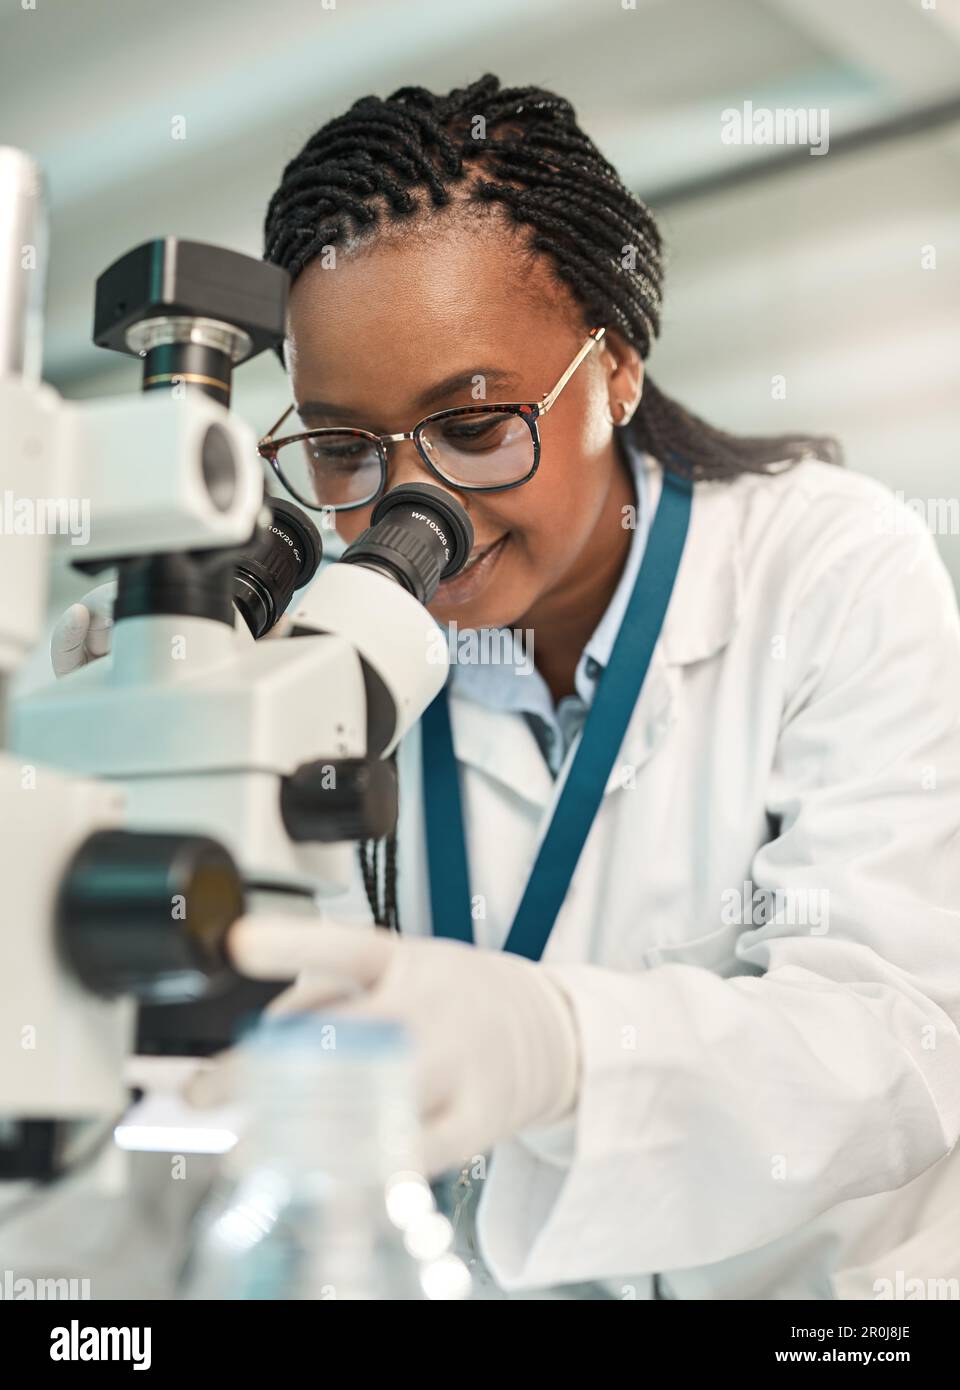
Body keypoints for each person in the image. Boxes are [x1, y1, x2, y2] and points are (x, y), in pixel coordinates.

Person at [55, 75, 960, 1301]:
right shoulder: (313, 657)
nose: (411, 512)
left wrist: (561, 1047)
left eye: (476, 426)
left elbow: (903, 1030)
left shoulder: (830, 569)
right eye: (340, 448)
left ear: (619, 365)